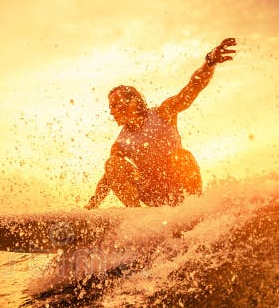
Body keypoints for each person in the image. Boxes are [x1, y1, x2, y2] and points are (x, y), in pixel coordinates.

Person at [86, 38, 236, 209]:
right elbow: (109, 176)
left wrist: (209, 62)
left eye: (114, 105)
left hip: (180, 190)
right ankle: (136, 215)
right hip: (152, 195)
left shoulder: (164, 112)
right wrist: (93, 204)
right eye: (110, 107)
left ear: (133, 101)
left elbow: (192, 88)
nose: (111, 111)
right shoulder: (120, 143)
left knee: (182, 156)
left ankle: (195, 209)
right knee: (112, 163)